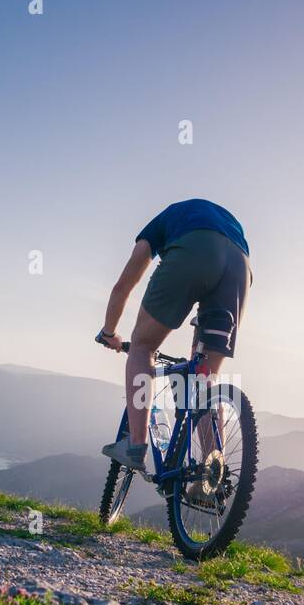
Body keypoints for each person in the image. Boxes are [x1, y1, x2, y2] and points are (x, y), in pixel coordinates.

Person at [96, 198, 252, 474]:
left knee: (142, 347)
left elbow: (123, 286)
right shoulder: (223, 222)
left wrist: (109, 332)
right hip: (240, 267)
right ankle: (211, 473)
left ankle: (135, 447)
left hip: (195, 250)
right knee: (204, 378)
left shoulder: (160, 224)